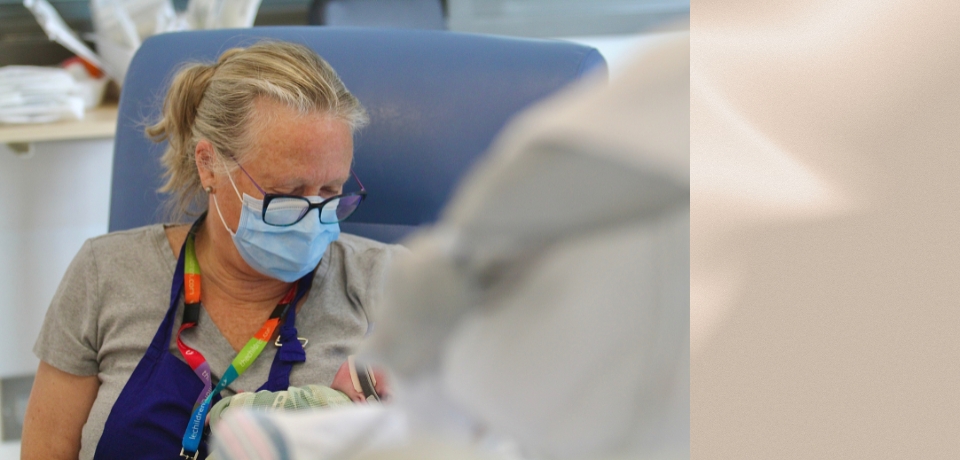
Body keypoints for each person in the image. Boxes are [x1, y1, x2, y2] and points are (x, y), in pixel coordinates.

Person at [20, 41, 403, 460]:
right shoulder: (105, 273)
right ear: (209, 165)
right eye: (287, 194)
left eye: (332, 191)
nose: (313, 216)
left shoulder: (391, 286)